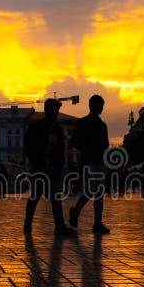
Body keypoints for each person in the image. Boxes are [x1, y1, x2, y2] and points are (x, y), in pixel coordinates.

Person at [23, 98, 75, 235]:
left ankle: (59, 226)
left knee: (56, 197)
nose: (55, 112)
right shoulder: (35, 127)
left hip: (56, 168)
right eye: (53, 109)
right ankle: (27, 224)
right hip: (40, 167)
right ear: (46, 110)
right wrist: (35, 163)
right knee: (35, 196)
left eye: (57, 110)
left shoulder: (58, 130)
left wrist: (61, 164)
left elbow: (61, 148)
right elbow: (28, 147)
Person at [69, 94, 111, 234]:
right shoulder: (82, 123)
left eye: (102, 106)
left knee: (99, 193)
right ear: (91, 105)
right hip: (88, 161)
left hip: (100, 162)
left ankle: (97, 223)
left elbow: (106, 145)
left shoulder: (103, 125)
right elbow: (74, 142)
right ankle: (76, 211)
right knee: (89, 191)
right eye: (99, 105)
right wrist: (82, 155)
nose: (101, 108)